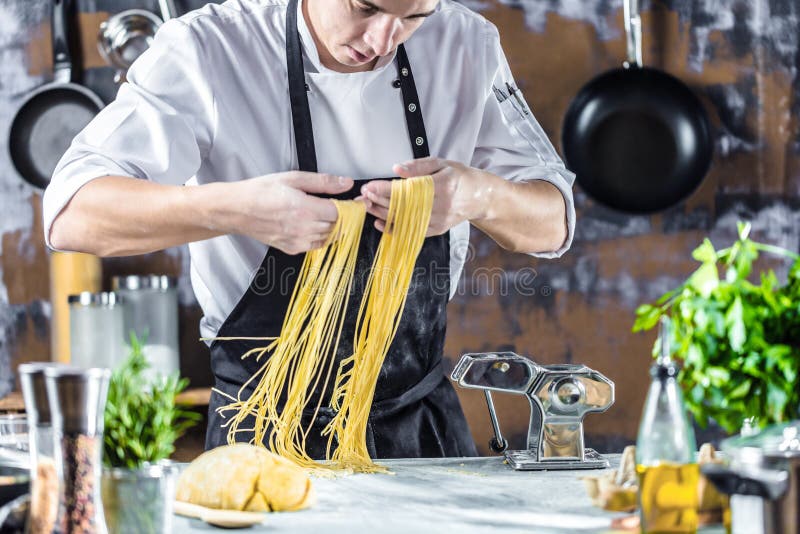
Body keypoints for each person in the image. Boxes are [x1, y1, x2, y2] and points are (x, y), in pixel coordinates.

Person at [43, 0, 576, 458]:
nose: (383, 40)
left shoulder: (466, 43)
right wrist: (235, 208)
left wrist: (478, 195)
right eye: (365, 7)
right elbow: (71, 212)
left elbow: (553, 221)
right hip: (264, 432)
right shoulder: (210, 48)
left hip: (420, 431)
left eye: (414, 16)